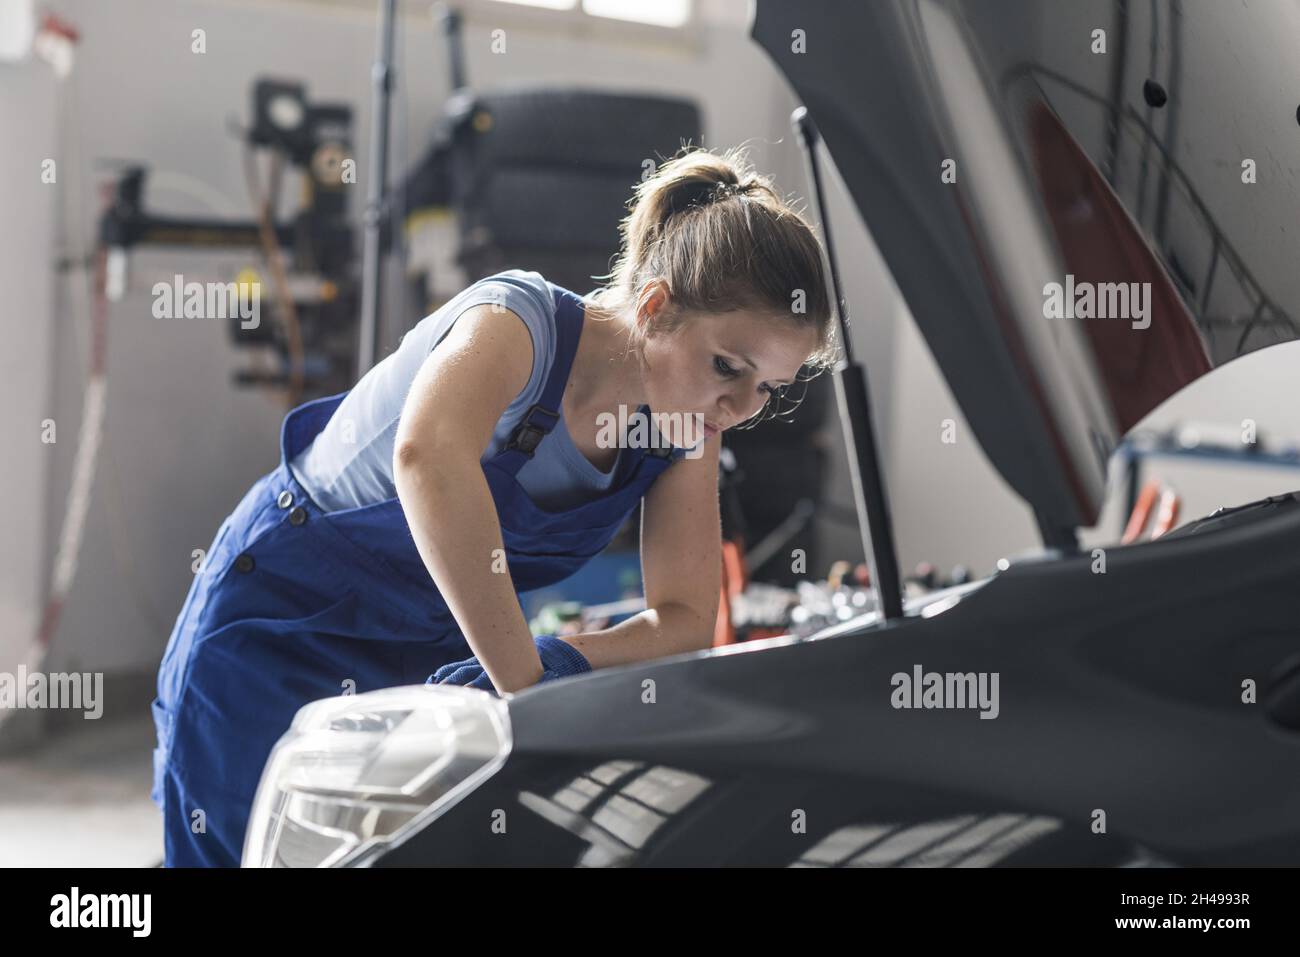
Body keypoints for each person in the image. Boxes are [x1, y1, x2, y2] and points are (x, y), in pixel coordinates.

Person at [149, 145, 837, 866]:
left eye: (768, 389)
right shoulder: (519, 323)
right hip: (276, 624)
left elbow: (689, 618)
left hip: (437, 655)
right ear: (657, 308)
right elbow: (427, 458)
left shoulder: (682, 428)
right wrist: (526, 684)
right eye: (728, 366)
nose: (737, 409)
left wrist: (563, 658)